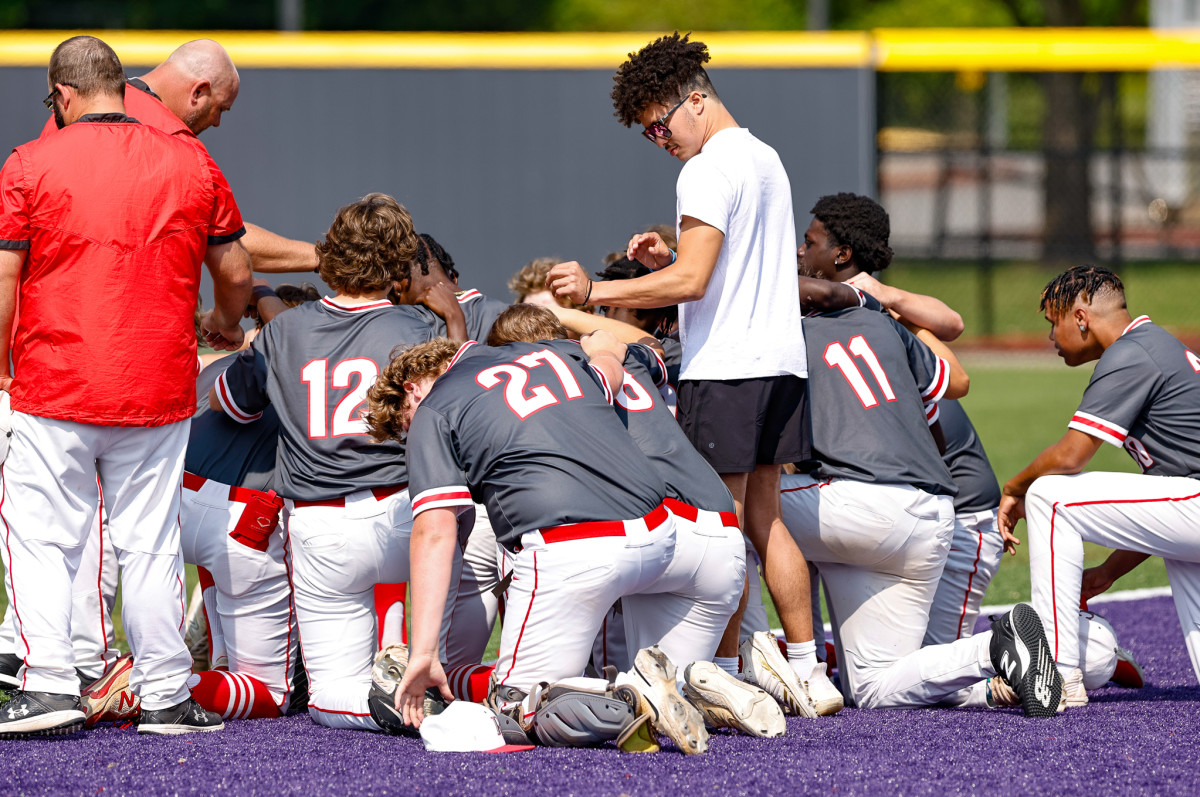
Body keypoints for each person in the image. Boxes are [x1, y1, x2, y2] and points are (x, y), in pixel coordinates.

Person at [546, 32, 865, 711]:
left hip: (727, 369)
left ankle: (719, 671)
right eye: (648, 135)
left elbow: (692, 280)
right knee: (766, 519)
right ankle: (808, 669)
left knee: (719, 530)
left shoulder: (704, 168)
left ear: (695, 100)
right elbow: (723, 259)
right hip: (781, 362)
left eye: (660, 126)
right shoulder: (766, 157)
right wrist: (670, 250)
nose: (660, 141)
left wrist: (593, 291)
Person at [0, 35, 251, 737]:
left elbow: (5, 277)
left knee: (44, 539)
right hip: (156, 382)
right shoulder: (190, 159)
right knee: (149, 542)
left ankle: (49, 683)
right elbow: (234, 270)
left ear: (63, 94)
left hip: (56, 381)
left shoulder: (30, 161)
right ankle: (167, 692)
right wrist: (226, 325)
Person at [365, 335, 719, 754]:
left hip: (573, 546)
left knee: (512, 710)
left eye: (406, 422)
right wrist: (608, 347)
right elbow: (608, 373)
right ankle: (702, 682)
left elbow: (435, 532)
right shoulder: (552, 351)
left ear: (413, 388)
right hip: (665, 534)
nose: (411, 431)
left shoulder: (435, 406)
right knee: (655, 675)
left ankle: (628, 688)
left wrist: (422, 652)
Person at [486, 304, 781, 738]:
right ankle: (704, 684)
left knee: (523, 704)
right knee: (664, 700)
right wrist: (577, 318)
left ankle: (631, 684)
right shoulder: (624, 355)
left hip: (650, 520)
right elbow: (651, 346)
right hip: (717, 531)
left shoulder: (548, 379)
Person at [209, 193, 442, 733]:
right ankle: (480, 688)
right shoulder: (420, 328)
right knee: (467, 548)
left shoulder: (286, 331)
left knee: (331, 699)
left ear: (331, 254)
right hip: (413, 516)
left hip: (323, 522)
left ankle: (390, 707)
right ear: (400, 261)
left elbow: (233, 402)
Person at [998, 265, 1200, 690]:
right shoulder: (1155, 345)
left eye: (1053, 324)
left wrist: (1015, 488)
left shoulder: (1132, 351)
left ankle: (1058, 674)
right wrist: (1108, 571)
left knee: (1049, 495)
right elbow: (1167, 500)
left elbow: (1071, 456)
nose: (1050, 338)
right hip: (1191, 506)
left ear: (1081, 317)